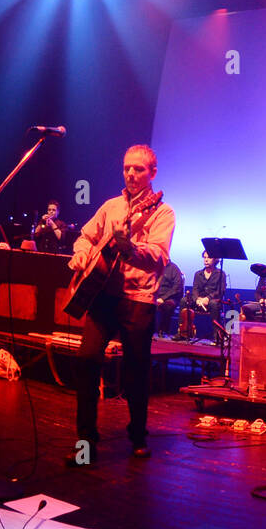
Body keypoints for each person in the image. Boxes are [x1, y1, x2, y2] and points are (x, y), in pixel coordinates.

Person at [66, 146, 174, 465]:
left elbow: (159, 257)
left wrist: (129, 248)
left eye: (138, 169)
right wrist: (82, 253)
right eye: (127, 168)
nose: (130, 174)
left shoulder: (162, 212)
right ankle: (85, 441)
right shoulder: (111, 206)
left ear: (152, 173)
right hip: (103, 295)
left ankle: (138, 436)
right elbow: (85, 236)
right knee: (86, 361)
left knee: (136, 370)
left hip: (138, 298)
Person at [187, 253, 227, 343]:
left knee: (214, 304)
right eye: (204, 257)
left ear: (215, 259)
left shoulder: (221, 274)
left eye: (209, 257)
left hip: (211, 302)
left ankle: (217, 337)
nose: (206, 260)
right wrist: (197, 298)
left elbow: (220, 291)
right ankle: (183, 333)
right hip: (199, 301)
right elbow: (195, 289)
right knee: (184, 301)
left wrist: (208, 298)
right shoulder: (198, 274)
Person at [155, 260, 184, 337]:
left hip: (169, 297)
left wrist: (163, 298)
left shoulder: (174, 268)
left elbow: (177, 287)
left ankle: (163, 330)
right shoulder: (155, 266)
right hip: (155, 295)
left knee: (168, 306)